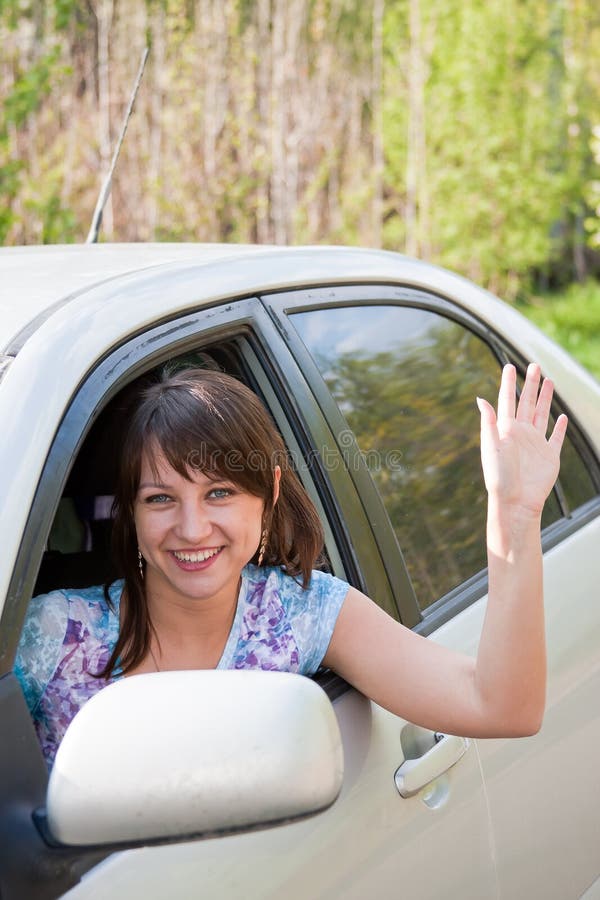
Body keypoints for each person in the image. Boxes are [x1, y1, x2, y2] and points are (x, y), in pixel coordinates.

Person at [15, 362, 567, 769]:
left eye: (220, 493)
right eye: (160, 499)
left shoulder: (300, 612)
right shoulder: (49, 634)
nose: (191, 528)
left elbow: (503, 708)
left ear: (269, 493)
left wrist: (514, 515)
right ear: (131, 511)